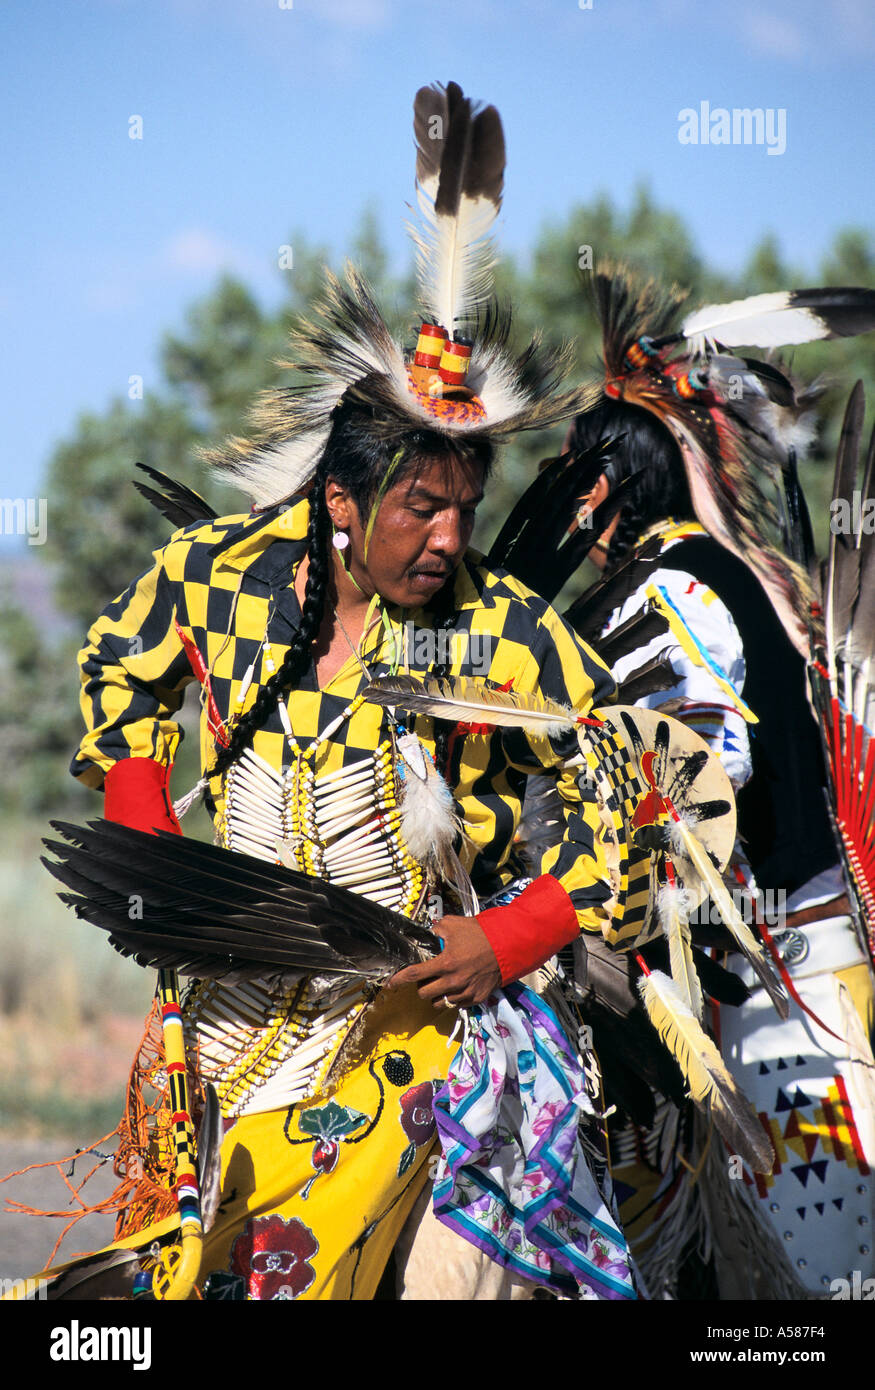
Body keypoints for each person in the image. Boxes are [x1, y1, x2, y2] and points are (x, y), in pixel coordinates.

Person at [16, 83, 637, 1303]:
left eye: (466, 506)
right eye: (422, 506)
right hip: (227, 1016)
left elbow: (637, 785)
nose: (452, 537)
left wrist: (505, 937)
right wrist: (154, 856)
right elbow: (116, 667)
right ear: (341, 505)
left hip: (413, 1023)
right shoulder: (219, 574)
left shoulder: (498, 630)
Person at [553, 278, 875, 1298]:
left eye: (571, 479)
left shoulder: (673, 589)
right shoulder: (721, 572)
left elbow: (705, 778)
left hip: (779, 992)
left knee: (805, 1283)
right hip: (781, 978)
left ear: (601, 488)